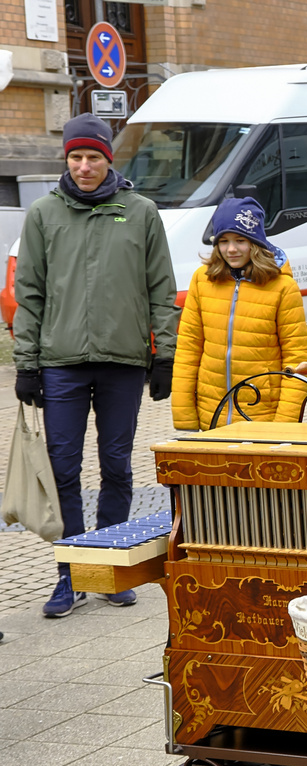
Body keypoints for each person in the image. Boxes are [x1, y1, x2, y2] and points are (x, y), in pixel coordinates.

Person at [12, 113, 178, 618]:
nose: (84, 166)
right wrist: (26, 362)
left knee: (116, 468)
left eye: (94, 157)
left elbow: (161, 290)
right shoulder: (43, 213)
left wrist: (163, 354)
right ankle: (69, 575)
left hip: (122, 363)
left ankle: (109, 569)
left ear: (110, 159)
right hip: (60, 364)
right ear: (67, 159)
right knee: (63, 470)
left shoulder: (142, 212)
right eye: (76, 157)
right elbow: (30, 293)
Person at [172, 197, 307, 430]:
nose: (231, 249)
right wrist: (185, 417)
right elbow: (188, 350)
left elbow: (297, 362)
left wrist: (285, 425)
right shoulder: (201, 280)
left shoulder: (282, 287)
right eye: (223, 241)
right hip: (211, 414)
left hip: (262, 417)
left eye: (240, 240)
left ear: (255, 243)